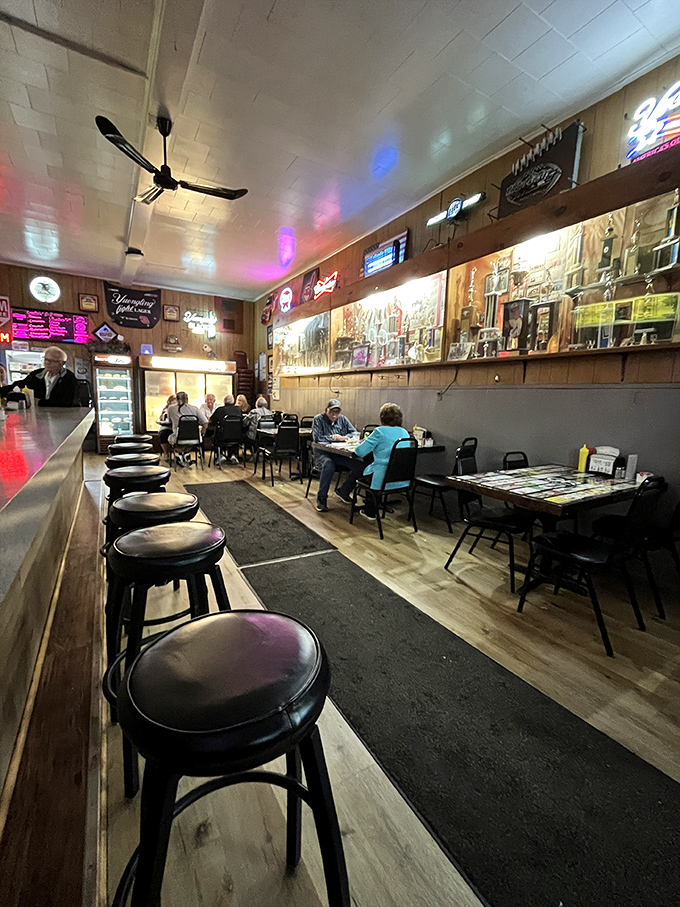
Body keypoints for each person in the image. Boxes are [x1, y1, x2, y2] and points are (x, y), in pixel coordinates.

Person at [352, 402, 410, 519]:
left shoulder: (379, 432)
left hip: (381, 478)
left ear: (382, 417)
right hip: (401, 477)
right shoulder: (404, 432)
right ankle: (376, 505)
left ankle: (370, 511)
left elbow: (360, 452)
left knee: (364, 472)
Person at [311, 399, 362, 512]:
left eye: (337, 412)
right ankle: (321, 499)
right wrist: (334, 438)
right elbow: (318, 438)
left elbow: (354, 433)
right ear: (326, 410)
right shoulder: (318, 419)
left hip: (339, 454)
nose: (334, 414)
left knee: (359, 465)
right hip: (322, 454)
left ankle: (344, 491)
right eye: (332, 411)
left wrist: (344, 437)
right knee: (329, 465)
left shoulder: (343, 419)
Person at [0, 346, 78, 406]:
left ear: (62, 363)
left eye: (51, 361)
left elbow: (68, 402)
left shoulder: (69, 378)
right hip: (41, 416)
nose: (47, 363)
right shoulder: (37, 374)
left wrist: (39, 402)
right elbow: (19, 384)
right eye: (45, 359)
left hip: (63, 418)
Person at [166, 391, 208, 467]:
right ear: (186, 399)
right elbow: (205, 422)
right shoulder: (194, 409)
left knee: (171, 439)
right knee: (189, 442)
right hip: (194, 438)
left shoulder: (171, 409)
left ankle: (181, 455)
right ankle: (185, 454)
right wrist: (203, 432)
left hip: (178, 438)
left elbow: (169, 421)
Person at [210, 394, 243, 464]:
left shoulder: (220, 410)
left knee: (215, 436)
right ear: (233, 402)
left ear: (224, 402)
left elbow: (212, 420)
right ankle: (233, 455)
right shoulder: (238, 410)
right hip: (237, 437)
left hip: (222, 437)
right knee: (232, 433)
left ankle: (220, 455)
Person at [157, 394, 177, 460]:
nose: (174, 404)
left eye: (176, 402)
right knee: (163, 434)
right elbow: (162, 419)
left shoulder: (180, 409)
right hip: (167, 427)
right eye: (173, 402)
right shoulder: (165, 410)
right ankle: (166, 453)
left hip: (177, 428)